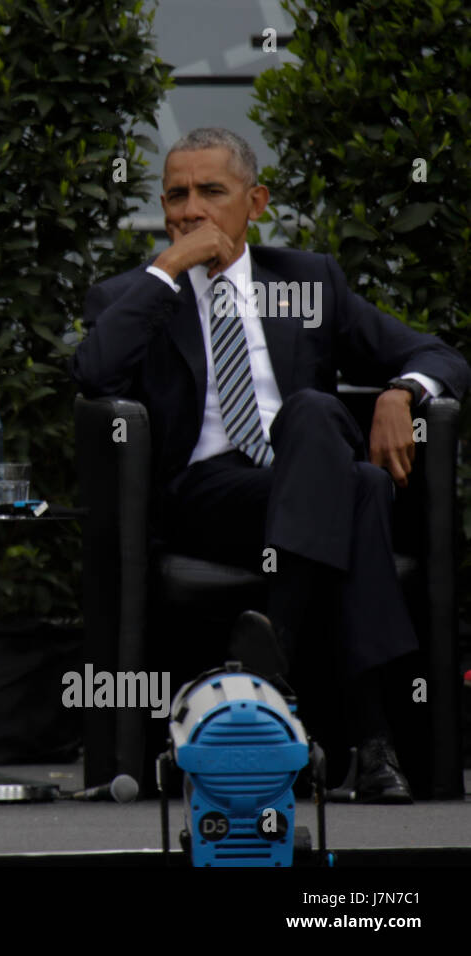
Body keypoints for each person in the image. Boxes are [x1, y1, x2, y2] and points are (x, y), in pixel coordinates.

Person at [72, 128, 470, 803]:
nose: (190, 209)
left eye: (211, 192)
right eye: (176, 195)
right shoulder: (133, 297)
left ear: (255, 202)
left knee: (329, 436)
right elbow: (93, 372)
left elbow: (441, 355)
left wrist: (403, 394)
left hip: (300, 480)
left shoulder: (308, 280)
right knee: (361, 485)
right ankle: (366, 734)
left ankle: (284, 674)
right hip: (205, 497)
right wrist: (170, 270)